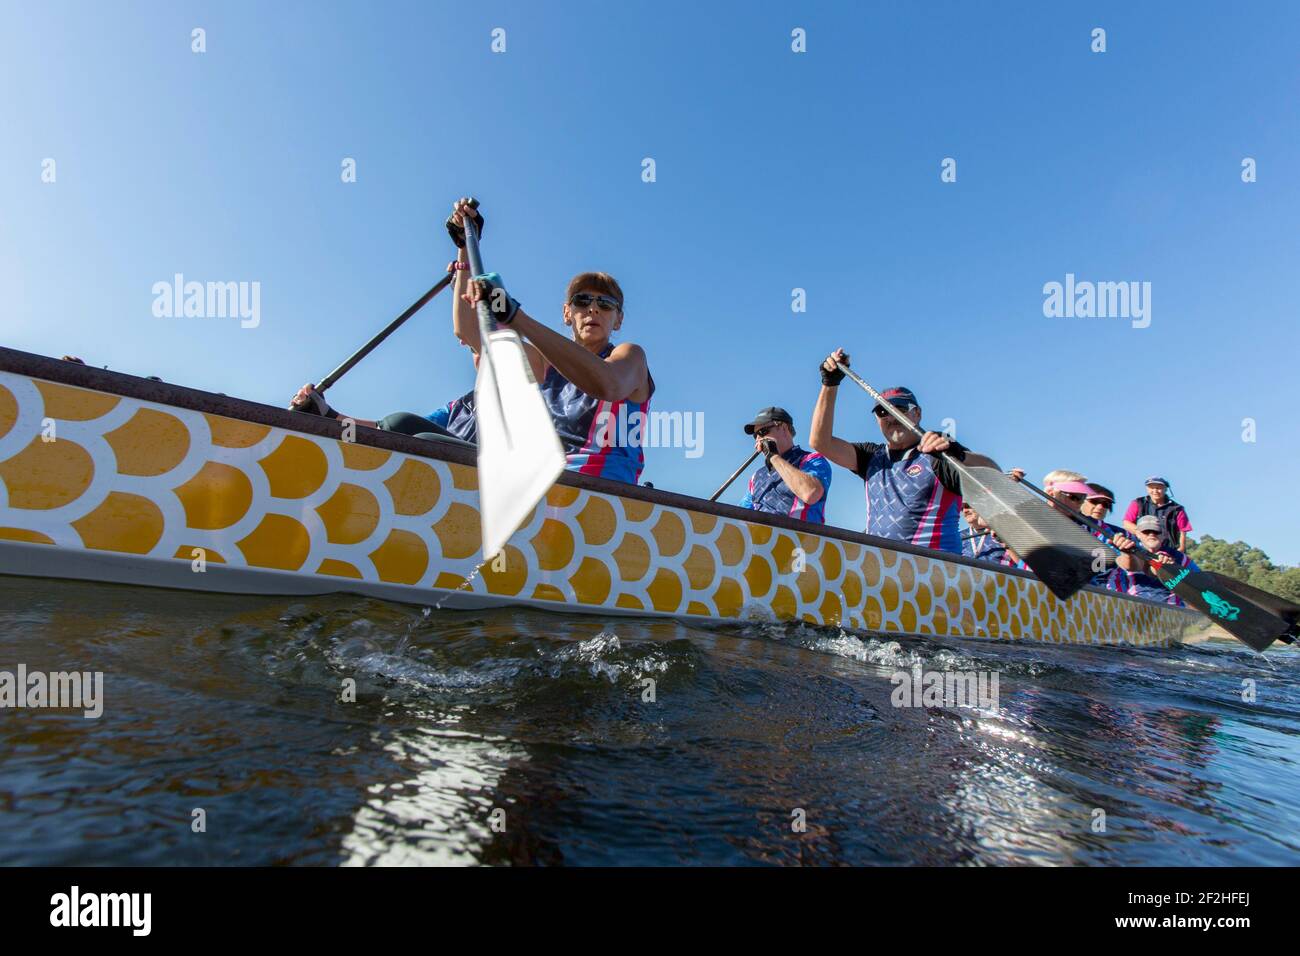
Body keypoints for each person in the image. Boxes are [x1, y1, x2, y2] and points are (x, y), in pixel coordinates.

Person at [450, 199, 654, 484]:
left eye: (605, 304)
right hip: (542, 483)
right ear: (567, 313)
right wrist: (464, 250)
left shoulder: (630, 356)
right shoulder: (540, 362)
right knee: (406, 427)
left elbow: (607, 385)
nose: (593, 309)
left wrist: (515, 317)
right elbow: (470, 332)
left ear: (618, 320)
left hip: (603, 494)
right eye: (583, 301)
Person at [809, 349, 1000, 553]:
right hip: (885, 572)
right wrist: (830, 384)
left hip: (936, 572)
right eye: (883, 412)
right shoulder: (871, 456)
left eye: (899, 409)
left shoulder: (938, 453)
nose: (890, 417)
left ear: (917, 413)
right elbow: (821, 442)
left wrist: (960, 455)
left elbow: (994, 476)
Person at [738, 407, 831, 523]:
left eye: (762, 432)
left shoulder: (811, 460)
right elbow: (740, 516)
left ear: (783, 428)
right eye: (755, 436)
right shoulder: (756, 476)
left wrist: (774, 457)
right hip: (762, 539)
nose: (758, 440)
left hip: (800, 538)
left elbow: (811, 493)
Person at [1111, 515, 1200, 606]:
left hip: (1173, 611)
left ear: (1163, 534)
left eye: (1156, 531)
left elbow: (1198, 580)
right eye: (1146, 531)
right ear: (1138, 534)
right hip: (1137, 609)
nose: (1151, 534)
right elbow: (1132, 566)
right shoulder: (1130, 551)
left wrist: (1174, 569)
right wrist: (1127, 554)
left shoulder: (1180, 558)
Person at [1122, 476, 1192, 552]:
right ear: (1147, 489)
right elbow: (1126, 523)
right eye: (1152, 488)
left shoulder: (1177, 509)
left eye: (1159, 488)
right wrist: (1142, 535)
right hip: (1141, 549)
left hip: (1169, 550)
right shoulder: (1138, 503)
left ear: (1166, 489)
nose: (1155, 491)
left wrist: (1181, 549)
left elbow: (1183, 530)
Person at [960, 503, 1025, 568]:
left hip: (1003, 576)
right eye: (961, 508)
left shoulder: (1007, 529)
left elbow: (1024, 566)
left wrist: (1003, 540)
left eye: (968, 506)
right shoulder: (959, 536)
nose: (965, 511)